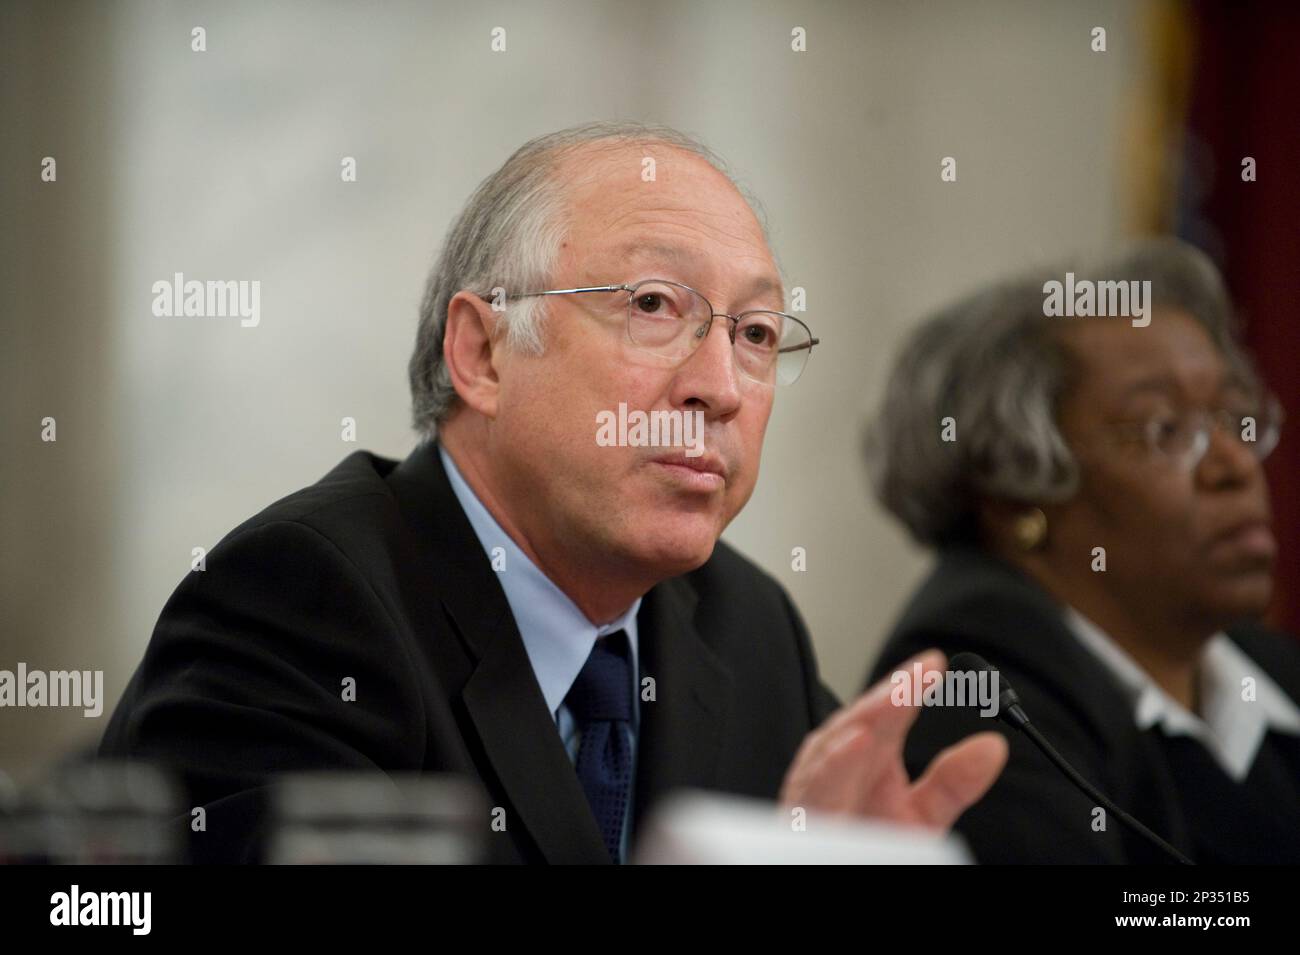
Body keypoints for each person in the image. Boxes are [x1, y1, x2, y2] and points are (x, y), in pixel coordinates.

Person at [100, 121, 1007, 864]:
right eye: (654, 305)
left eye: (758, 332)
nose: (721, 386)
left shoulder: (746, 627)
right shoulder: (300, 602)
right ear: (484, 352)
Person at [864, 238, 1300, 863]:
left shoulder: (1268, 672)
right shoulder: (978, 700)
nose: (1235, 466)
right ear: (1018, 495)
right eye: (1165, 429)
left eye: (1234, 417)